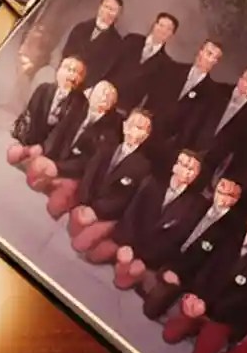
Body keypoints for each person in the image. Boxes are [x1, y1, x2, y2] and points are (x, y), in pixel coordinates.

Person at [161, 204, 247, 353]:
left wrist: (209, 307)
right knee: (169, 334)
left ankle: (207, 327)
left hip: (226, 315)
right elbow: (209, 268)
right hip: (205, 299)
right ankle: (197, 324)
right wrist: (198, 296)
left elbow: (246, 299)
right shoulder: (232, 237)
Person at [132, 177, 244, 296]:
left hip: (191, 268)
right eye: (219, 191)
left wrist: (183, 275)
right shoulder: (200, 204)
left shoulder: (231, 228)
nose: (220, 196)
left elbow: (211, 263)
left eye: (227, 195)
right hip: (174, 252)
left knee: (155, 303)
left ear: (234, 200)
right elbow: (180, 229)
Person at [105, 149, 209, 274]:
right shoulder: (152, 183)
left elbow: (174, 239)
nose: (187, 173)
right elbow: (132, 214)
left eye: (192, 170)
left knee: (126, 276)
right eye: (185, 166)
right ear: (175, 165)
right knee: (95, 253)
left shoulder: (194, 205)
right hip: (129, 240)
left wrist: (143, 256)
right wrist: (128, 244)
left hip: (151, 255)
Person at [68, 109, 154, 252]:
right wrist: (85, 201)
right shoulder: (107, 145)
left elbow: (123, 199)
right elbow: (90, 174)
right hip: (89, 200)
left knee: (81, 244)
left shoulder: (143, 166)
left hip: (109, 212)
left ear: (145, 136)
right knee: (75, 219)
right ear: (124, 126)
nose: (133, 130)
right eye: (131, 124)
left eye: (139, 128)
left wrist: (96, 210)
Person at [141, 39, 223, 172]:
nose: (210, 59)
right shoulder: (172, 69)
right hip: (147, 132)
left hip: (173, 150)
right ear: (200, 51)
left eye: (215, 58)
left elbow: (204, 129)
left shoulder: (213, 94)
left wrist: (185, 152)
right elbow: (153, 97)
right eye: (209, 53)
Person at [27, 80, 121, 195]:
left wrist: (58, 167)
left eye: (108, 96)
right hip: (57, 161)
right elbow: (58, 134)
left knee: (57, 199)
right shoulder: (77, 109)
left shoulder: (110, 130)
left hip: (75, 174)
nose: (103, 97)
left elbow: (89, 161)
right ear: (90, 94)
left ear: (111, 105)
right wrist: (45, 153)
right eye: (100, 93)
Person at [9, 56, 88, 166]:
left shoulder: (80, 102)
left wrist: (43, 148)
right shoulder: (43, 89)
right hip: (32, 138)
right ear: (58, 71)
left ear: (81, 79)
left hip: (54, 147)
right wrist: (28, 143)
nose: (71, 75)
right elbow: (31, 116)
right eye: (67, 69)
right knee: (13, 155)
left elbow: (63, 131)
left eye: (76, 72)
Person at [181, 65, 247, 159]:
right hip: (186, 147)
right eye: (244, 78)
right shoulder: (217, 90)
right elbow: (193, 116)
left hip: (212, 163)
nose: (244, 84)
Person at [104, 12, 179, 111]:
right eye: (161, 25)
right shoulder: (131, 39)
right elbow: (109, 63)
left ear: (172, 35)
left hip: (123, 109)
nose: (163, 30)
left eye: (168, 29)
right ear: (154, 25)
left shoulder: (166, 63)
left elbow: (153, 95)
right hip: (103, 93)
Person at [59, 0, 124, 84]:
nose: (108, 12)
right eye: (106, 7)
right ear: (99, 7)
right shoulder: (80, 28)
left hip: (86, 88)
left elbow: (102, 71)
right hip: (64, 78)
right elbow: (67, 52)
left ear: (118, 15)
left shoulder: (116, 43)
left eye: (113, 10)